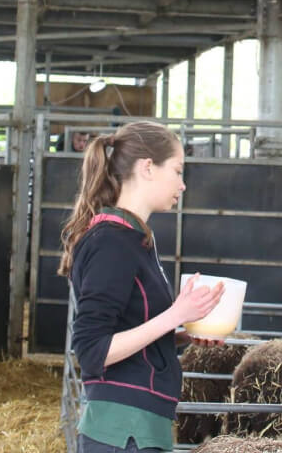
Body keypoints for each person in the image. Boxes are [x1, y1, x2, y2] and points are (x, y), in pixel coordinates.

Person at [59, 121, 225, 453]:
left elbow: (132, 328)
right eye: (177, 171)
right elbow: (92, 351)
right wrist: (176, 313)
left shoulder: (133, 238)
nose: (183, 185)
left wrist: (183, 331)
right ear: (148, 167)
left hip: (141, 427)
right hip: (123, 431)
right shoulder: (112, 241)